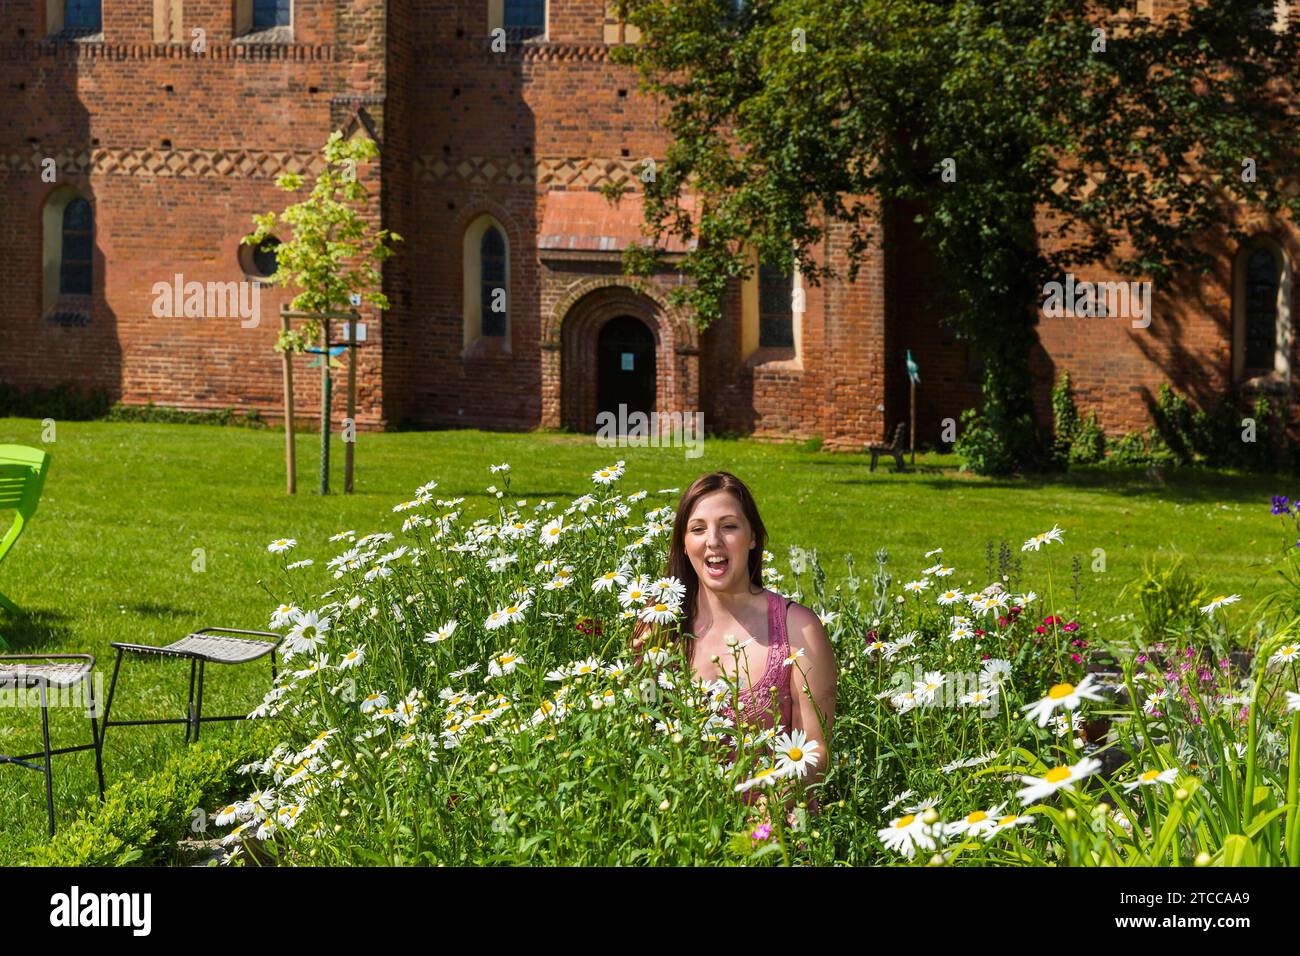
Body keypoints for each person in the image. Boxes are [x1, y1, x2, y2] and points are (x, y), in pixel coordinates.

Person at [633, 471, 837, 815]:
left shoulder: (797, 629)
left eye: (728, 526)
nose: (713, 540)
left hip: (773, 835)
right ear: (684, 544)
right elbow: (640, 734)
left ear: (753, 537)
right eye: (698, 529)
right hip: (681, 828)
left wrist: (765, 810)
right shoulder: (658, 627)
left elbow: (815, 750)